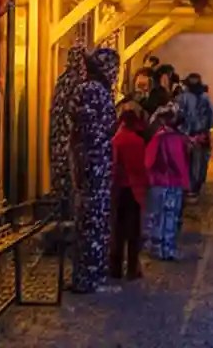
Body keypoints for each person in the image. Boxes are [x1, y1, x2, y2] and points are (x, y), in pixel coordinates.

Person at [71, 48, 120, 293]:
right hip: (94, 165)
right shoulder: (92, 90)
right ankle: (90, 277)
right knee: (93, 222)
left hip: (94, 164)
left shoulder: (91, 89)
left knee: (95, 222)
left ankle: (90, 275)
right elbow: (91, 130)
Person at [145, 105, 192, 259]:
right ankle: (168, 249)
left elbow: (149, 161)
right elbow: (182, 163)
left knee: (157, 215)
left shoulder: (158, 137)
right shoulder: (178, 139)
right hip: (174, 183)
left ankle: (157, 248)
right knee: (171, 216)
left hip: (158, 183)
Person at [49, 46, 87, 216]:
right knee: (72, 177)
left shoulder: (62, 80)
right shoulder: (79, 83)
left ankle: (61, 210)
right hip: (70, 138)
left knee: (60, 176)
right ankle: (70, 215)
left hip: (57, 137)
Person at [110, 105, 147, 281]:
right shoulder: (137, 141)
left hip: (118, 189)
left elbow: (114, 166)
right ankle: (132, 268)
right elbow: (141, 167)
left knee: (117, 230)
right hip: (134, 190)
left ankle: (115, 267)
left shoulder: (116, 140)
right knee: (133, 232)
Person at [177, 73, 213, 197]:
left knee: (189, 161)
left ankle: (189, 187)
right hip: (199, 134)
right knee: (198, 162)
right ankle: (194, 188)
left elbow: (178, 115)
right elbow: (212, 115)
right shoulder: (204, 97)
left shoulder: (182, 97)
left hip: (187, 134)